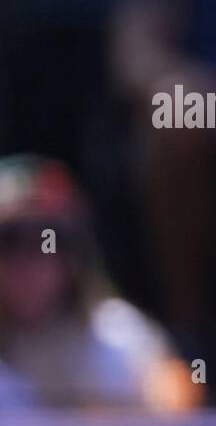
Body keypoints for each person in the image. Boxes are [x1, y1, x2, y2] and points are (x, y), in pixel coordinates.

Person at [0, 155, 191, 410]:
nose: (26, 261)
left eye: (45, 240)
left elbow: (177, 400)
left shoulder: (112, 335)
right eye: (9, 240)